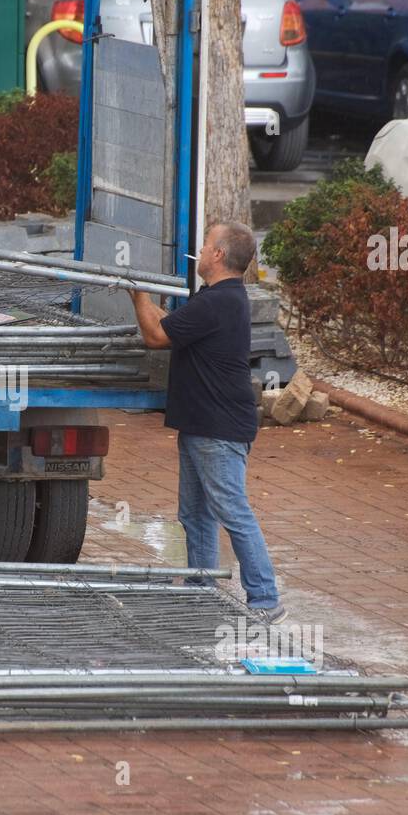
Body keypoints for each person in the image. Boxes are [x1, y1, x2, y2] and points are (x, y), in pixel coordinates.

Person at [129, 221, 286, 623]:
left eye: (205, 244)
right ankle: (201, 589)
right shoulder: (217, 299)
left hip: (218, 429)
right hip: (203, 426)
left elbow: (156, 337)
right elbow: (173, 328)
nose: (199, 250)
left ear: (218, 255)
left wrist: (137, 292)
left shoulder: (219, 302)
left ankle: (265, 599)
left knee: (232, 510)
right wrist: (149, 302)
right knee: (196, 515)